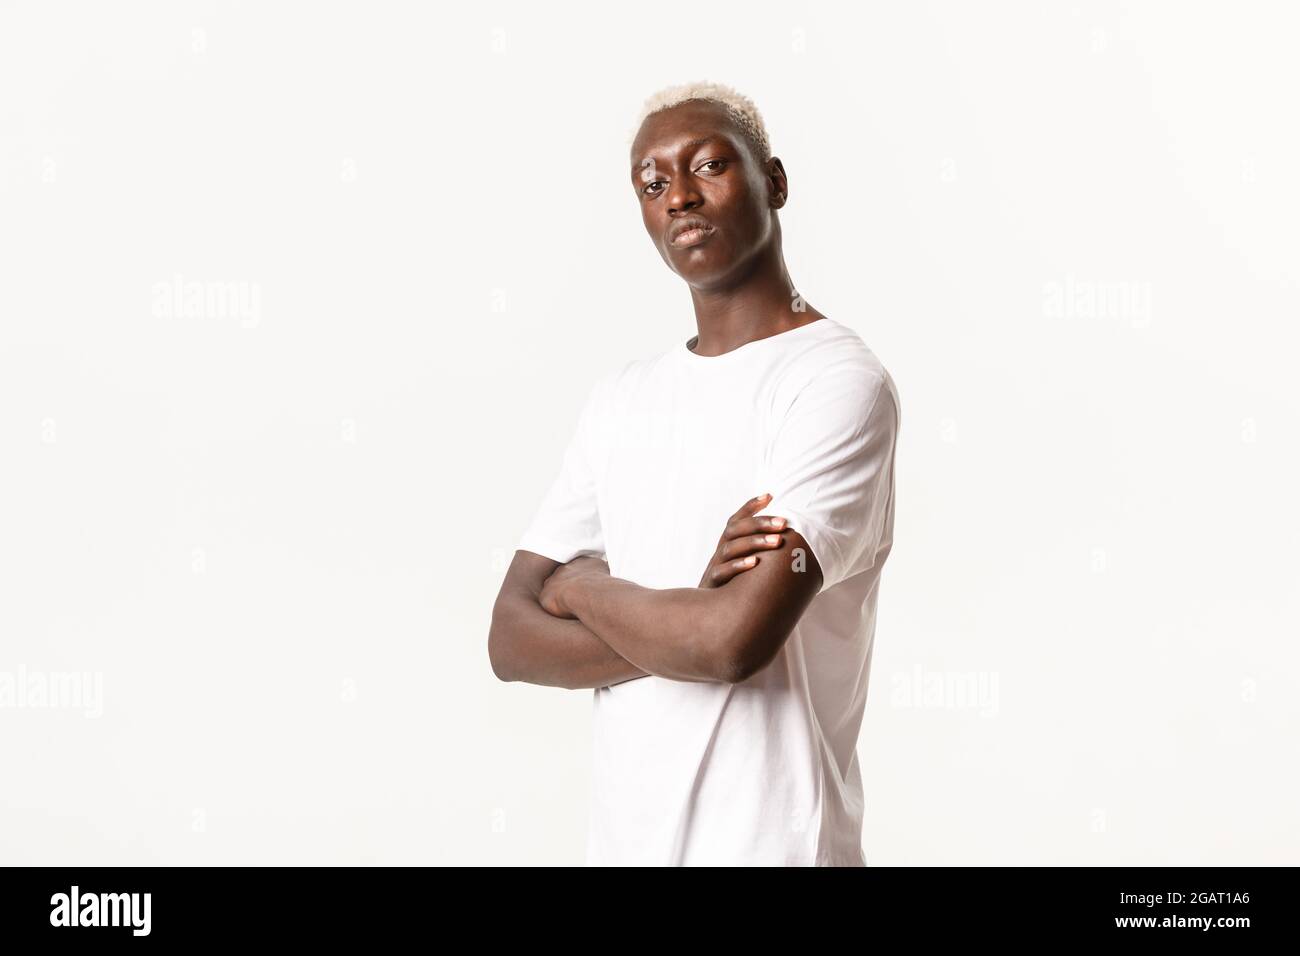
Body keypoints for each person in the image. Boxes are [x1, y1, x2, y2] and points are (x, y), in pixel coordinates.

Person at [488, 81, 901, 866]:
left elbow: (731, 643)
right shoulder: (623, 398)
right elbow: (509, 640)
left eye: (709, 165)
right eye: (652, 182)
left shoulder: (834, 383)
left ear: (774, 182)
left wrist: (582, 591)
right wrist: (687, 613)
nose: (679, 196)